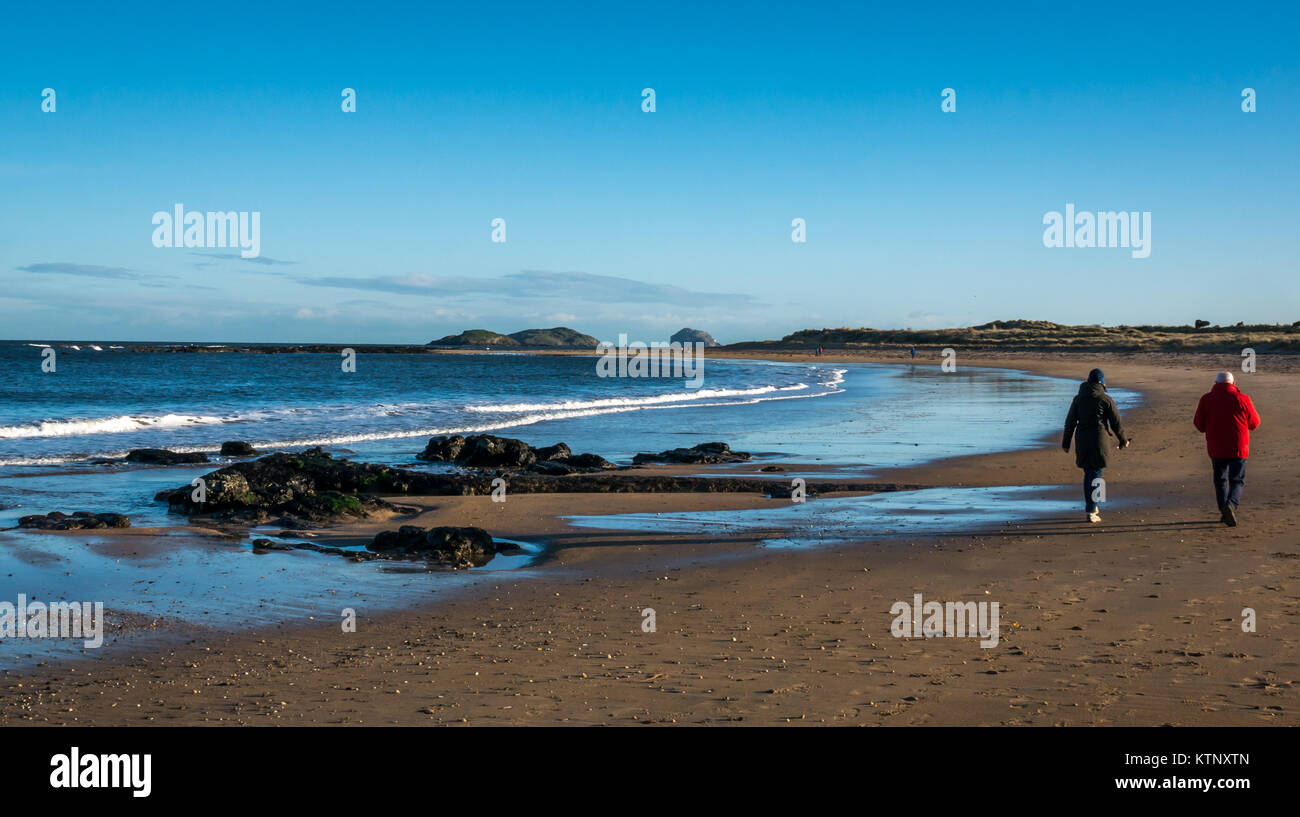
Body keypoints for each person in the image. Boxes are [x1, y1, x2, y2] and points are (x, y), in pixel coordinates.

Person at [1193, 371, 1261, 527]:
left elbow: (1199, 424)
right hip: (1238, 446)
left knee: (1220, 480)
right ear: (1233, 383)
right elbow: (1254, 423)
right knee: (1237, 480)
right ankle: (1231, 505)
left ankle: (1224, 509)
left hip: (1216, 447)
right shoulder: (1242, 398)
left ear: (1215, 383)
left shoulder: (1206, 399)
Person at [1063, 368, 1130, 522]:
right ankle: (1092, 509)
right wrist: (1123, 440)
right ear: (1102, 383)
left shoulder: (1078, 399)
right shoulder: (1105, 399)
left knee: (1090, 472)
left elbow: (1070, 422)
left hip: (1082, 439)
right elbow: (1116, 423)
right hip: (1099, 439)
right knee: (1096, 473)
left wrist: (1066, 443)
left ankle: (1094, 504)